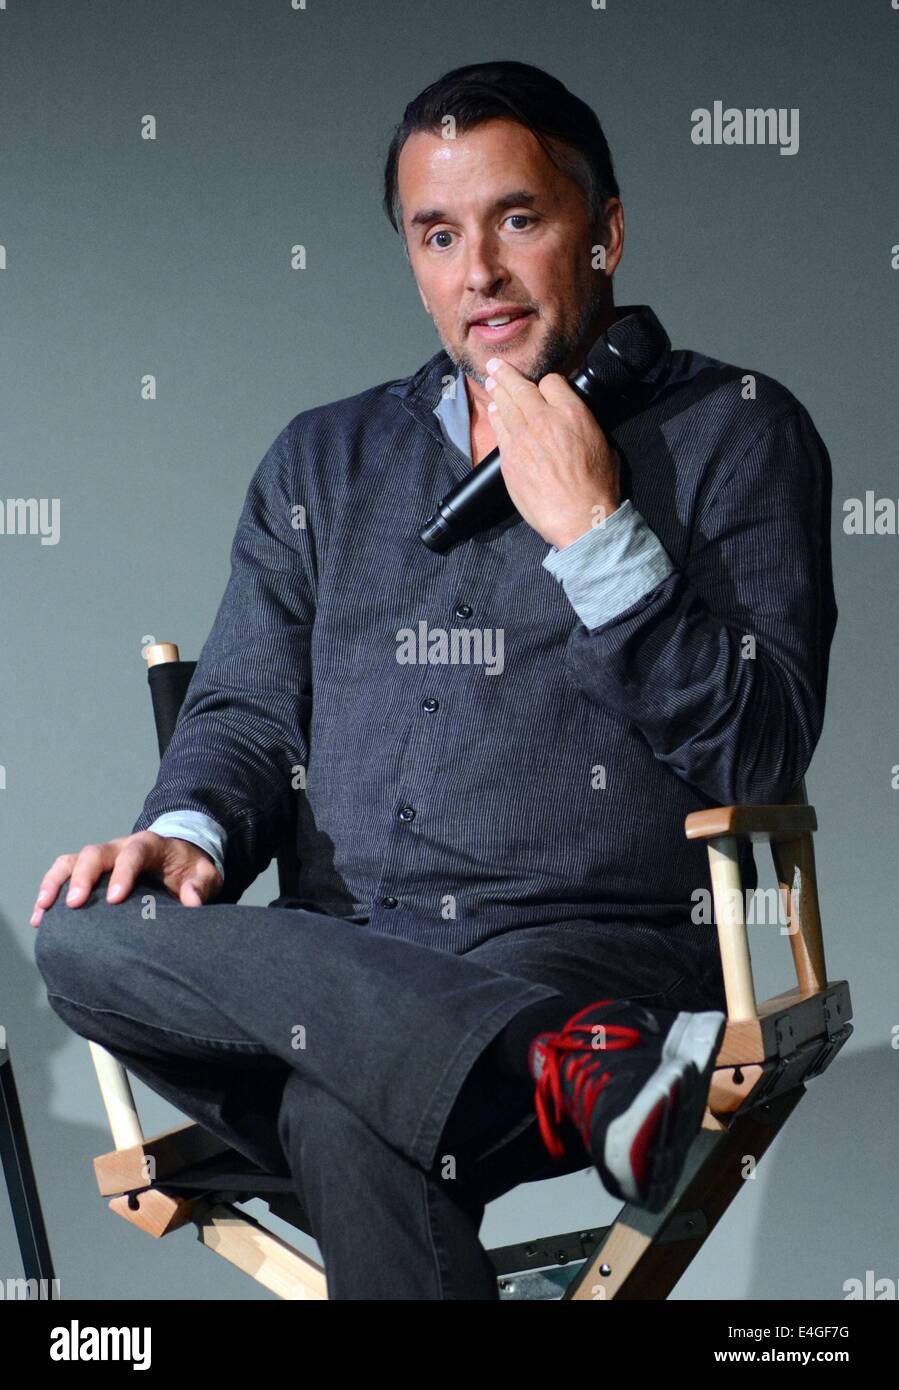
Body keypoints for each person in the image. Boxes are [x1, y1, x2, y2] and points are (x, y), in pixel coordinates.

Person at [32, 60, 837, 1300]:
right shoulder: (325, 457)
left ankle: (539, 1041)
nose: (480, 273)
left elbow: (760, 752)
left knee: (348, 1113)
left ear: (604, 229)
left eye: (518, 219)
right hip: (361, 966)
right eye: (439, 234)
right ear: (411, 255)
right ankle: (575, 1066)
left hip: (587, 956)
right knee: (81, 935)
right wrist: (187, 836)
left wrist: (598, 538)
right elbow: (243, 714)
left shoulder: (737, 429)